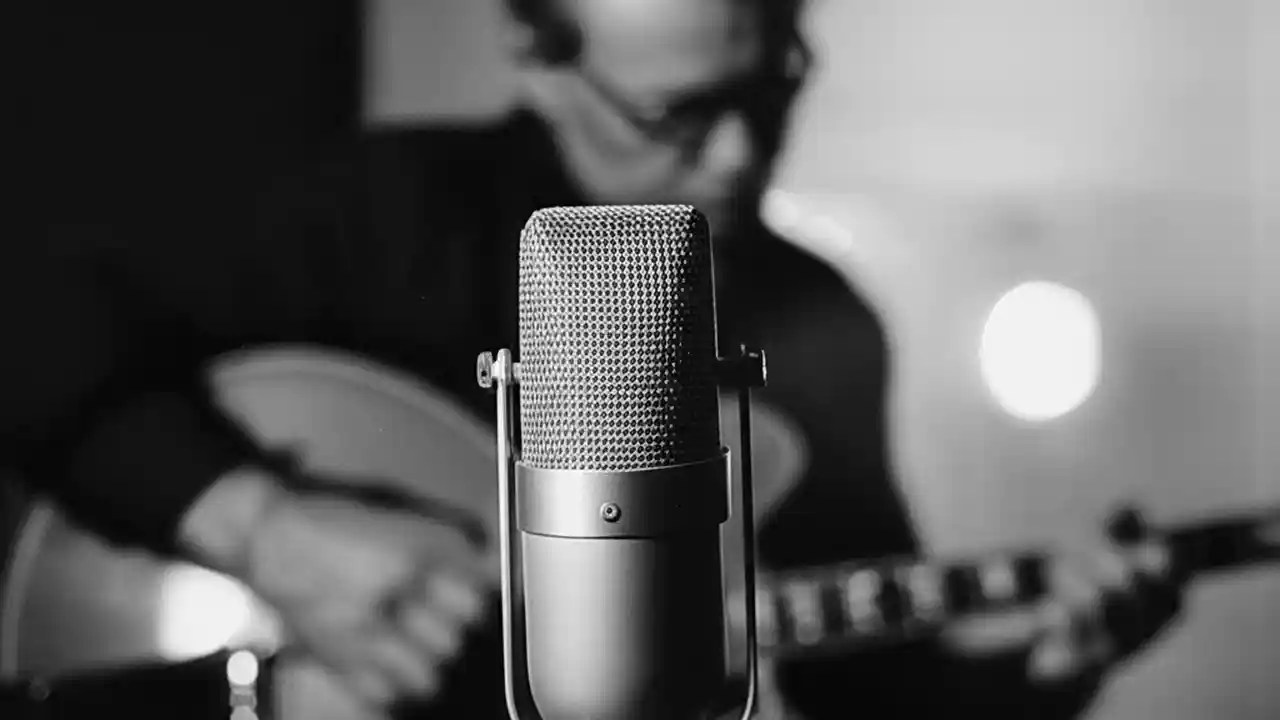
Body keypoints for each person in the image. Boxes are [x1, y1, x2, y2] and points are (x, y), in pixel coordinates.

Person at [5, 0, 1182, 717]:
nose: (737, 154)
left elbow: (863, 682)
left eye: (769, 88)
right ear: (534, 56)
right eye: (676, 113)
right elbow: (34, 327)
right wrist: (272, 532)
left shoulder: (821, 320)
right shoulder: (381, 211)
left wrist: (1046, 673)